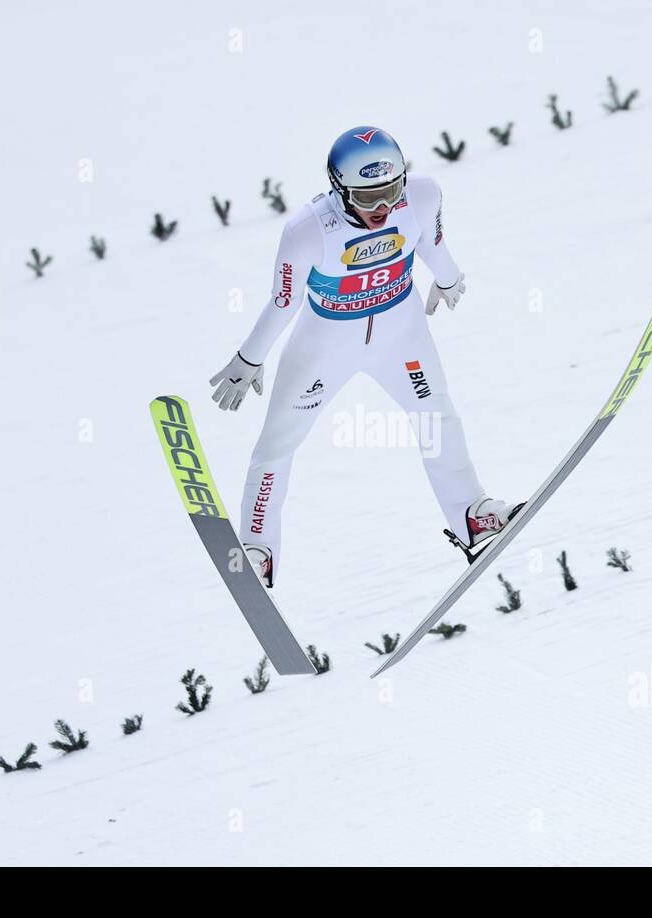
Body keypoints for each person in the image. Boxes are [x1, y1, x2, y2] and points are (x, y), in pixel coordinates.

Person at [209, 126, 515, 587]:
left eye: (391, 191)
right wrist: (250, 357)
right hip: (324, 345)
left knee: (438, 419)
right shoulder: (307, 231)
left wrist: (449, 279)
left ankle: (471, 515)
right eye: (367, 197)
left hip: (401, 336)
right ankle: (256, 547)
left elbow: (432, 244)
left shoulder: (423, 195)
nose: (382, 208)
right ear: (338, 188)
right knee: (278, 442)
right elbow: (283, 300)